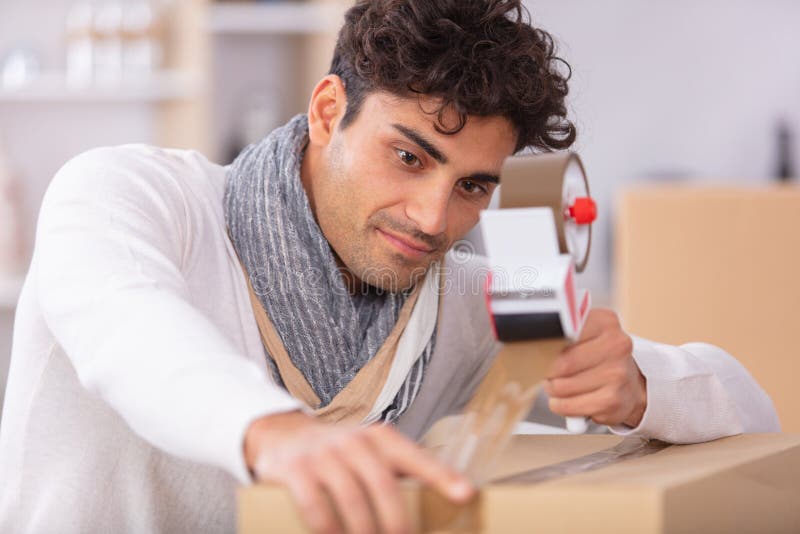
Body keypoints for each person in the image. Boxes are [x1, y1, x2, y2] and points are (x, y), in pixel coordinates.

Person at [0, 1, 780, 533]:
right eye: (408, 156)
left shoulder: (469, 300)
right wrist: (275, 433)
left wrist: (639, 388)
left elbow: (748, 407)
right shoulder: (132, 192)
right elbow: (128, 331)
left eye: (473, 185)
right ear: (329, 109)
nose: (434, 219)